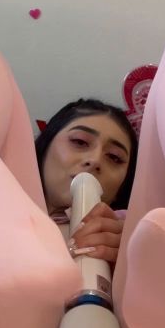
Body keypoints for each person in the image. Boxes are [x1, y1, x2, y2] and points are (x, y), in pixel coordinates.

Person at [34, 98, 138, 265]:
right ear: (45, 146)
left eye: (114, 157)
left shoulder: (131, 237)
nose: (95, 160)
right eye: (80, 142)